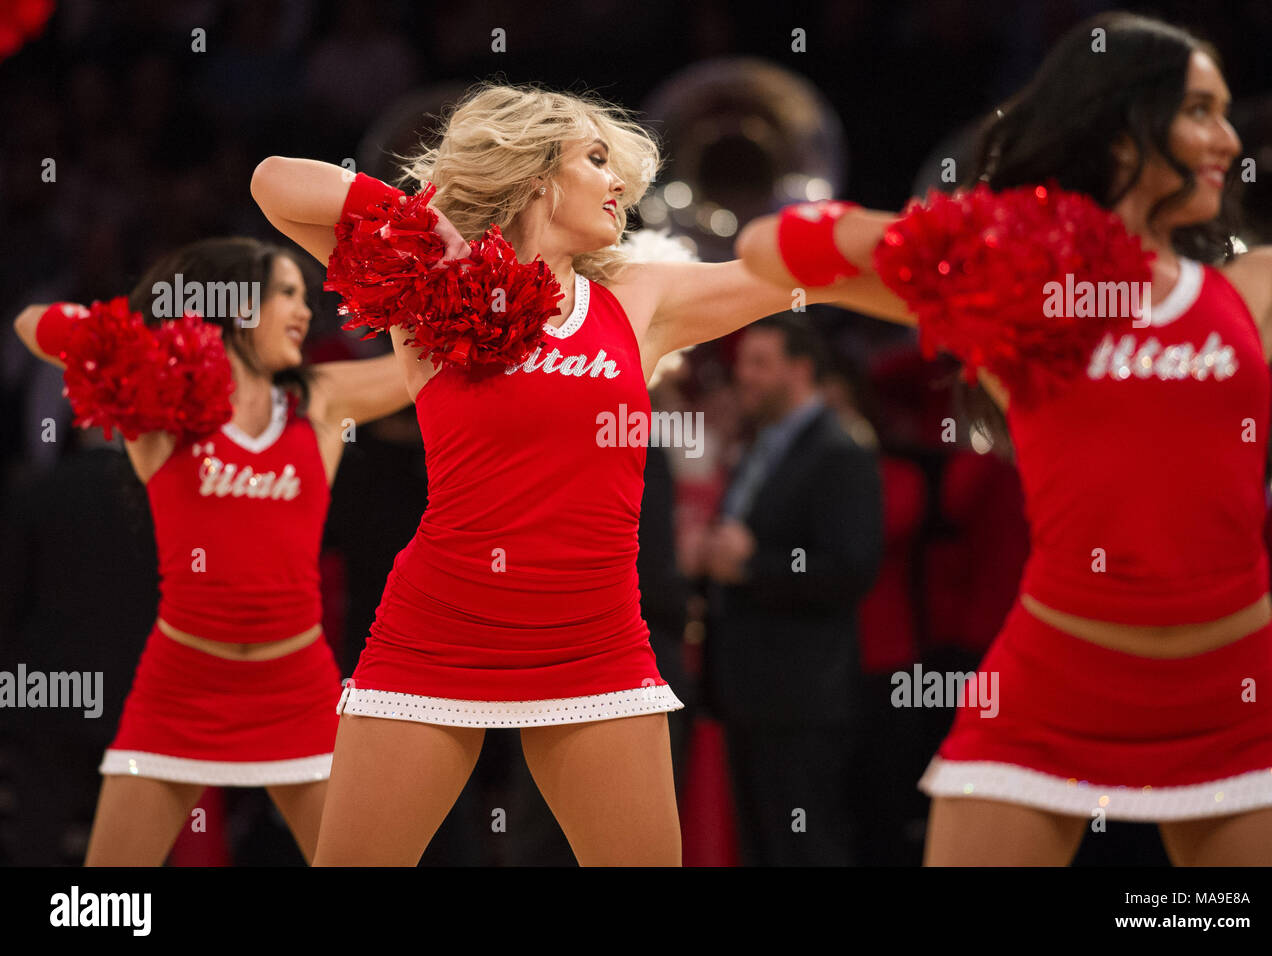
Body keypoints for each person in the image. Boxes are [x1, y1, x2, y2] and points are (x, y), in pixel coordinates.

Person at [735, 11, 1272, 865]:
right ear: (1119, 128)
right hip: (1056, 684)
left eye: (1224, 111)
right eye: (1199, 111)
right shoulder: (1013, 291)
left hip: (1235, 694)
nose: (1227, 137)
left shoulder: (1258, 287)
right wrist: (978, 246)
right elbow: (770, 245)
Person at [250, 81, 854, 866]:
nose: (619, 184)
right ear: (535, 174)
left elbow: (791, 276)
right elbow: (275, 182)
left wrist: (918, 255)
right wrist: (429, 227)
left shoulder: (638, 299)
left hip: (596, 645)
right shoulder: (423, 286)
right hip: (438, 636)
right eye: (596, 160)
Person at [12, 237, 412, 865]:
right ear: (229, 304)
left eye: (305, 297)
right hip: (181, 683)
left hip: (296, 683)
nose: (305, 313)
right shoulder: (164, 407)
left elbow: (431, 367)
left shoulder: (321, 399)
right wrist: (150, 355)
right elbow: (32, 324)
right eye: (286, 293)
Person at [698, 314, 882, 865]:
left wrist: (753, 567)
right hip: (749, 689)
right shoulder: (765, 442)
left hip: (802, 695)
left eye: (759, 363)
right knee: (763, 845)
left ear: (799, 370)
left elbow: (851, 570)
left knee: (805, 845)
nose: (743, 376)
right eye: (741, 363)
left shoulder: (839, 450)